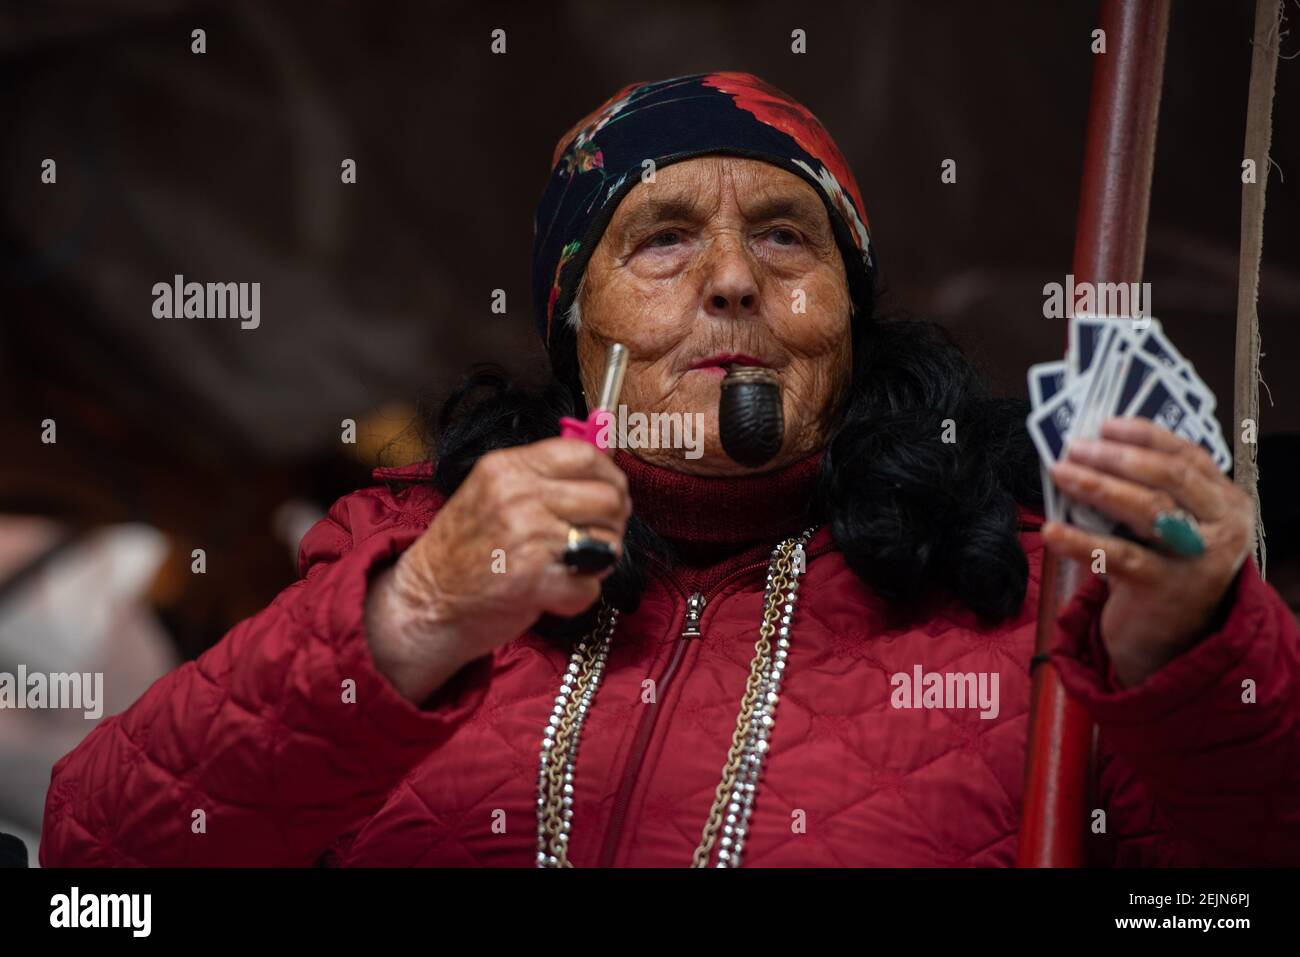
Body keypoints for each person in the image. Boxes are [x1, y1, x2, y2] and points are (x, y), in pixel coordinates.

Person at [40, 72, 1300, 867]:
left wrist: (1199, 656)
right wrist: (415, 618)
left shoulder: (1030, 601)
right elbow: (98, 864)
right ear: (570, 324)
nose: (735, 278)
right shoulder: (398, 553)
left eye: (785, 235)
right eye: (660, 239)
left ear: (850, 328)